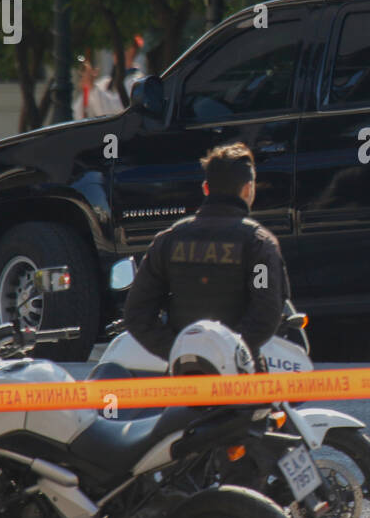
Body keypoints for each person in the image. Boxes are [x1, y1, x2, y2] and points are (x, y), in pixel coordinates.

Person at [123, 142, 289, 366]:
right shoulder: (258, 244)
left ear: (206, 188)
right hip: (242, 383)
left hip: (186, 376)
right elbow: (267, 313)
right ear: (248, 189)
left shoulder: (168, 241)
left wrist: (181, 351)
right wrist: (229, 355)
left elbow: (137, 314)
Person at [72, 55, 124, 120]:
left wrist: (91, 86)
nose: (83, 75)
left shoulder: (106, 83)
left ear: (95, 71)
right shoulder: (83, 96)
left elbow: (107, 113)